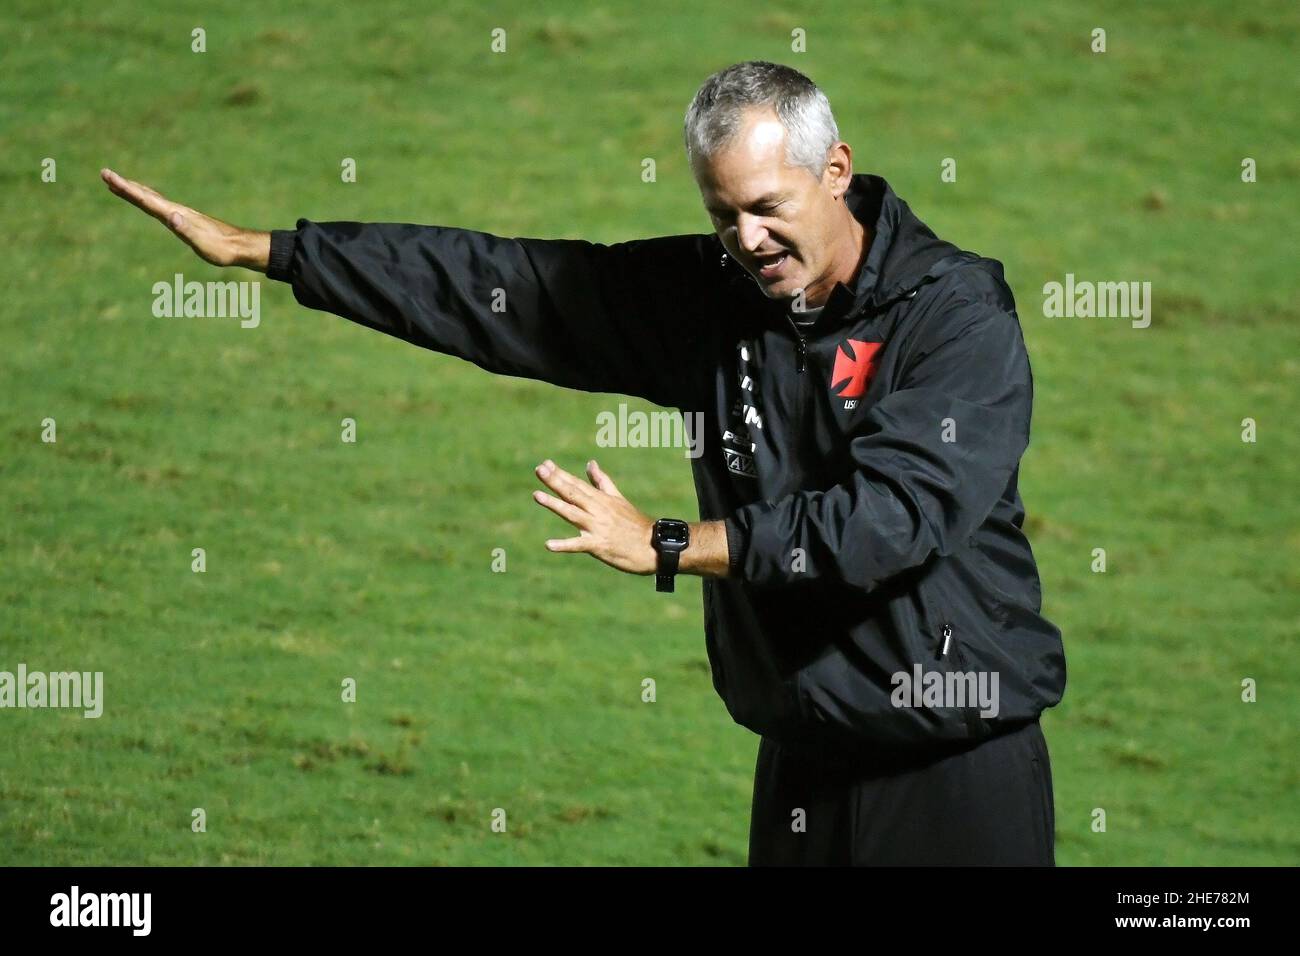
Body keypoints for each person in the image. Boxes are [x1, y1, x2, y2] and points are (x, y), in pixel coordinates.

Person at [102, 60, 1065, 866]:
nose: (748, 241)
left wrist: (673, 543)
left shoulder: (955, 316)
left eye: (767, 208)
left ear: (837, 170)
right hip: (806, 758)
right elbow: (510, 290)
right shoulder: (719, 299)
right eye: (723, 215)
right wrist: (280, 254)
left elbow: (891, 518)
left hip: (954, 771)